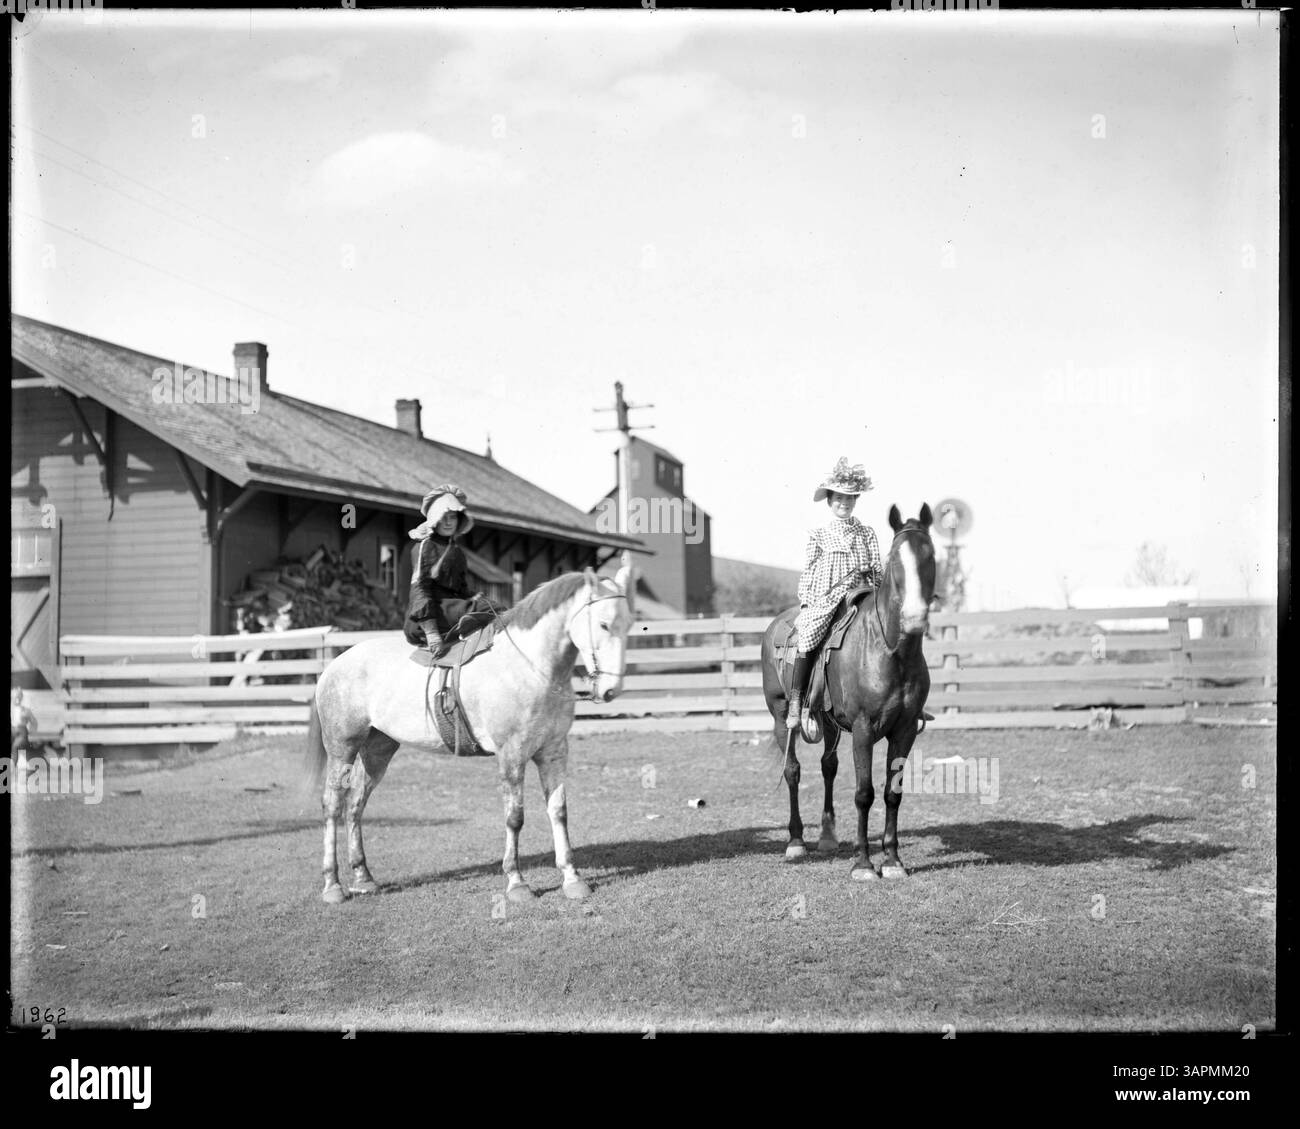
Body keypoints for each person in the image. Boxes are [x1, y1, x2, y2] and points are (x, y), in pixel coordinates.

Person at [788, 457, 883, 731]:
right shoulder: (818, 535)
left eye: (850, 499)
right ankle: (797, 700)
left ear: (855, 502)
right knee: (808, 635)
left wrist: (872, 573)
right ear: (830, 501)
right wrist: (806, 602)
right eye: (839, 498)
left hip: (862, 594)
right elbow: (808, 571)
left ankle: (905, 701)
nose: (844, 503)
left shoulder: (866, 533)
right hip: (827, 598)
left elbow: (877, 567)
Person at [403, 485, 489, 653]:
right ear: (435, 519)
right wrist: (431, 631)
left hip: (450, 609)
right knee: (494, 610)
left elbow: (460, 589)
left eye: (453, 517)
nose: (448, 522)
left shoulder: (456, 551)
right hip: (428, 616)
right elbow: (419, 588)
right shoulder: (425, 546)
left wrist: (472, 596)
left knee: (491, 608)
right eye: (444, 517)